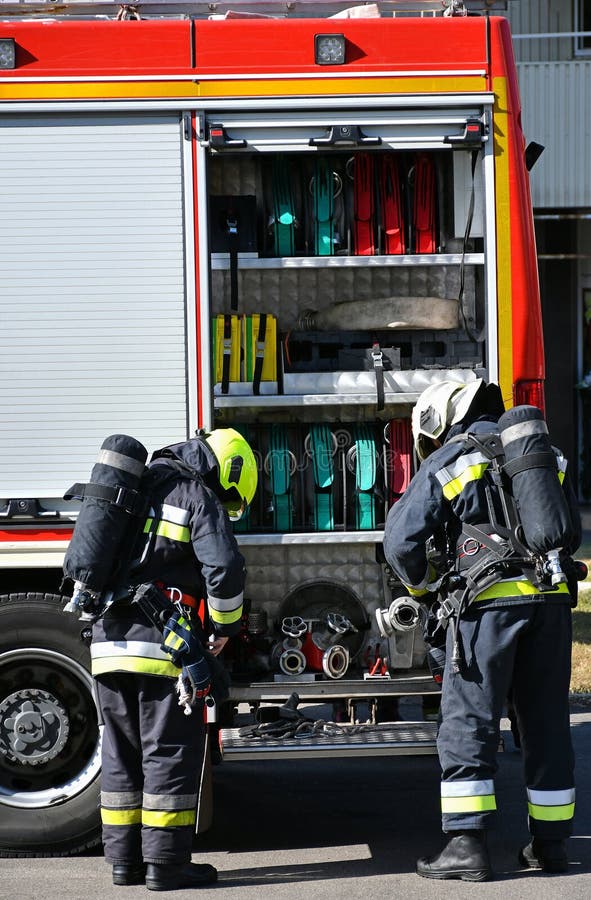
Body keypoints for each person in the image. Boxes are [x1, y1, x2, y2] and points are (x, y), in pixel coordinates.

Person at [383, 379, 581, 882]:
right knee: (545, 724)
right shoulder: (545, 455)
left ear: (442, 417)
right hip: (552, 604)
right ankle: (550, 846)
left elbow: (400, 541)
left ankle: (466, 845)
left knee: (469, 719)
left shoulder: (451, 458)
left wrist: (426, 588)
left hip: (487, 609)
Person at [89, 428, 257, 891]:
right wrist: (224, 628)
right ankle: (166, 866)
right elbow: (223, 567)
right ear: (228, 470)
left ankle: (124, 863)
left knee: (120, 754)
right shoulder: (194, 495)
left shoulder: (134, 486)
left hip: (107, 644)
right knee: (167, 751)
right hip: (161, 647)